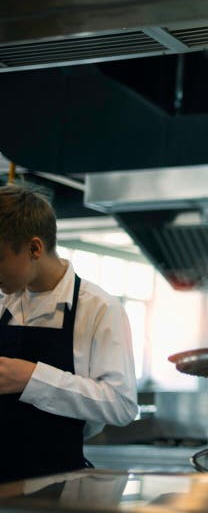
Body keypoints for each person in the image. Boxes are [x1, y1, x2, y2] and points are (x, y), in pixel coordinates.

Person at [0, 185, 137, 483]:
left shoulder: (99, 308)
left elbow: (122, 405)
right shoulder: (4, 303)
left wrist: (31, 379)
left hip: (56, 487)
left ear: (34, 248)